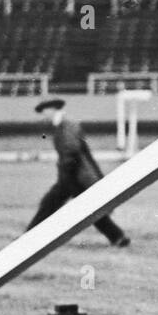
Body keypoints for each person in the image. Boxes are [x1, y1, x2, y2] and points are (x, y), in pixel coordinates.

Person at [28, 98, 130, 246]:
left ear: (52, 109)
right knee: (89, 210)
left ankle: (29, 237)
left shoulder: (67, 126)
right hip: (75, 176)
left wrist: (65, 176)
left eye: (44, 111)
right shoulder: (63, 125)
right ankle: (118, 238)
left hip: (76, 176)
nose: (43, 115)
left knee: (50, 204)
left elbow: (71, 151)